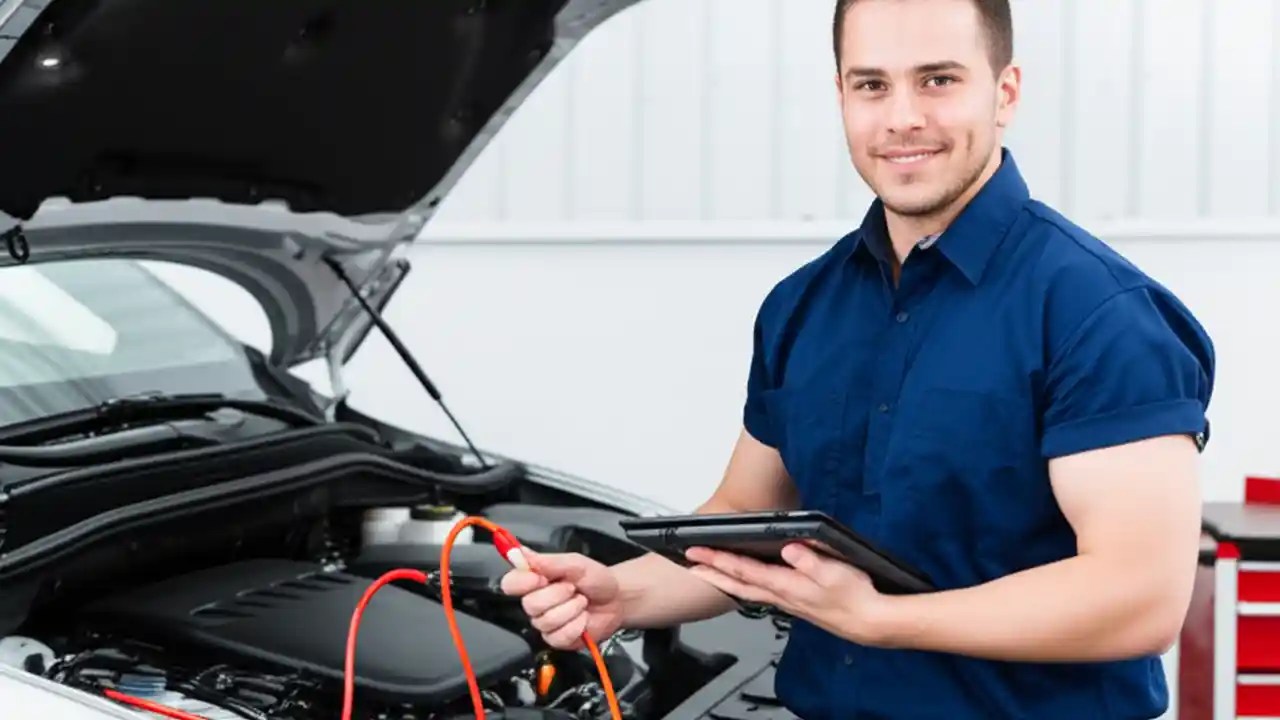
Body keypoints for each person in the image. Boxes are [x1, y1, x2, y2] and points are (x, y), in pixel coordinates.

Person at [501, 0, 1214, 717]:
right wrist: (625, 593)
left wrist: (883, 622)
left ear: (1005, 94)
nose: (901, 116)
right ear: (841, 95)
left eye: (937, 80)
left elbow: (1138, 599)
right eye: (872, 84)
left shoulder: (1098, 313)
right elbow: (747, 512)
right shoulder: (802, 306)